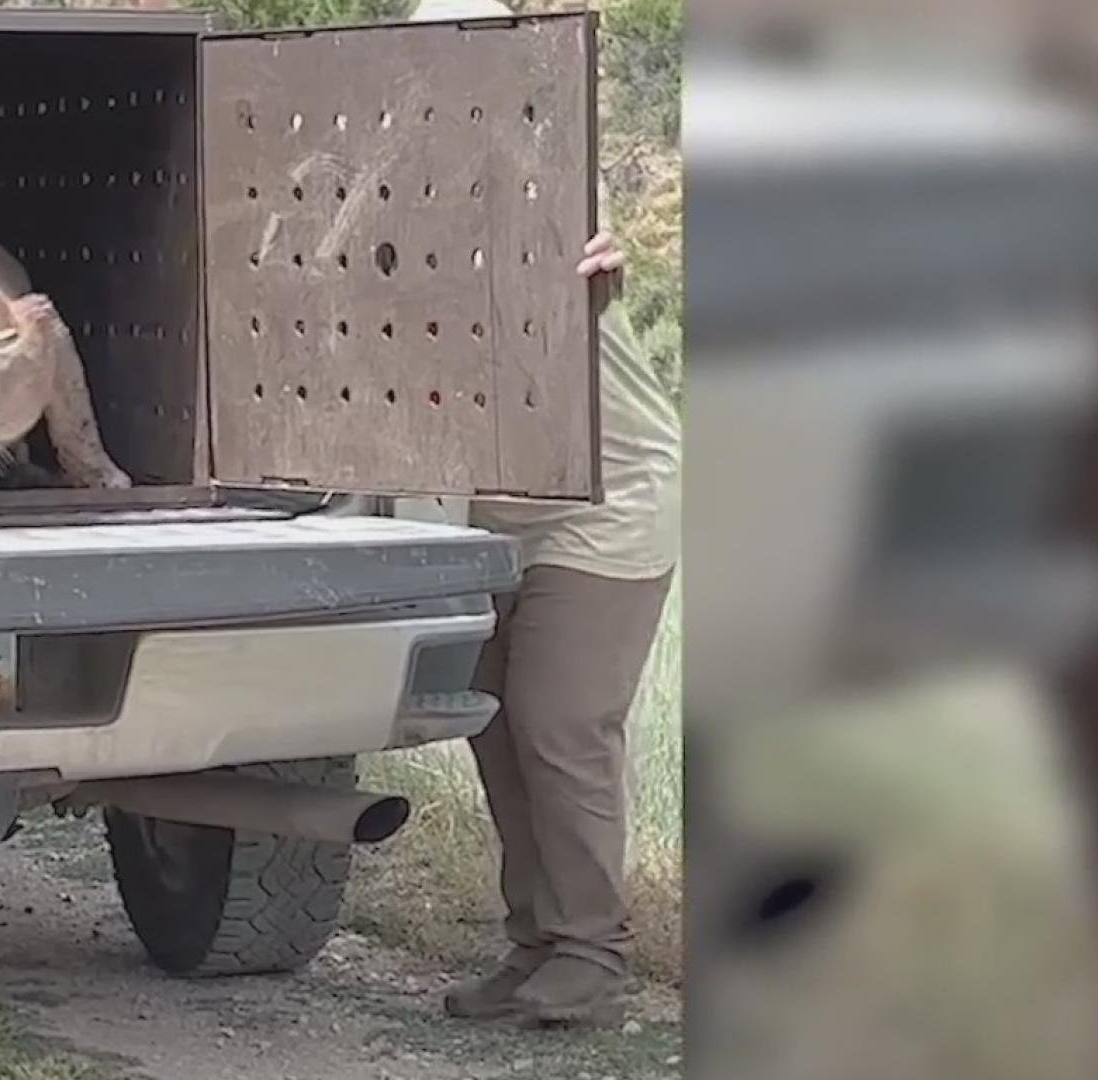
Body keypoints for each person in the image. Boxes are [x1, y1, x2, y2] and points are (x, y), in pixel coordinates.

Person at [407, 0, 682, 1027]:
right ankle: (534, 946)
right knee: (495, 722)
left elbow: (579, 277)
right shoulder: (403, 188)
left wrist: (601, 275)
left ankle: (592, 959)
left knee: (562, 723)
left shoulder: (545, 163)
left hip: (607, 495)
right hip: (498, 504)